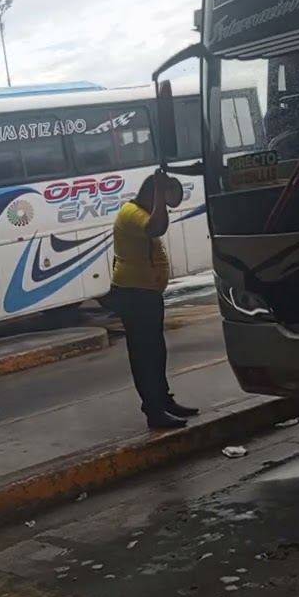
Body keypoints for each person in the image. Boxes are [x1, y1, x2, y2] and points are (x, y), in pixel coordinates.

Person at [108, 168, 198, 429]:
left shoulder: (142, 211)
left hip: (146, 294)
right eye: (161, 198)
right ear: (153, 193)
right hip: (134, 295)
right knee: (145, 354)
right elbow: (157, 227)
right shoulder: (131, 213)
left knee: (156, 352)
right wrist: (161, 194)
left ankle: (163, 401)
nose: (165, 207)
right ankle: (154, 411)